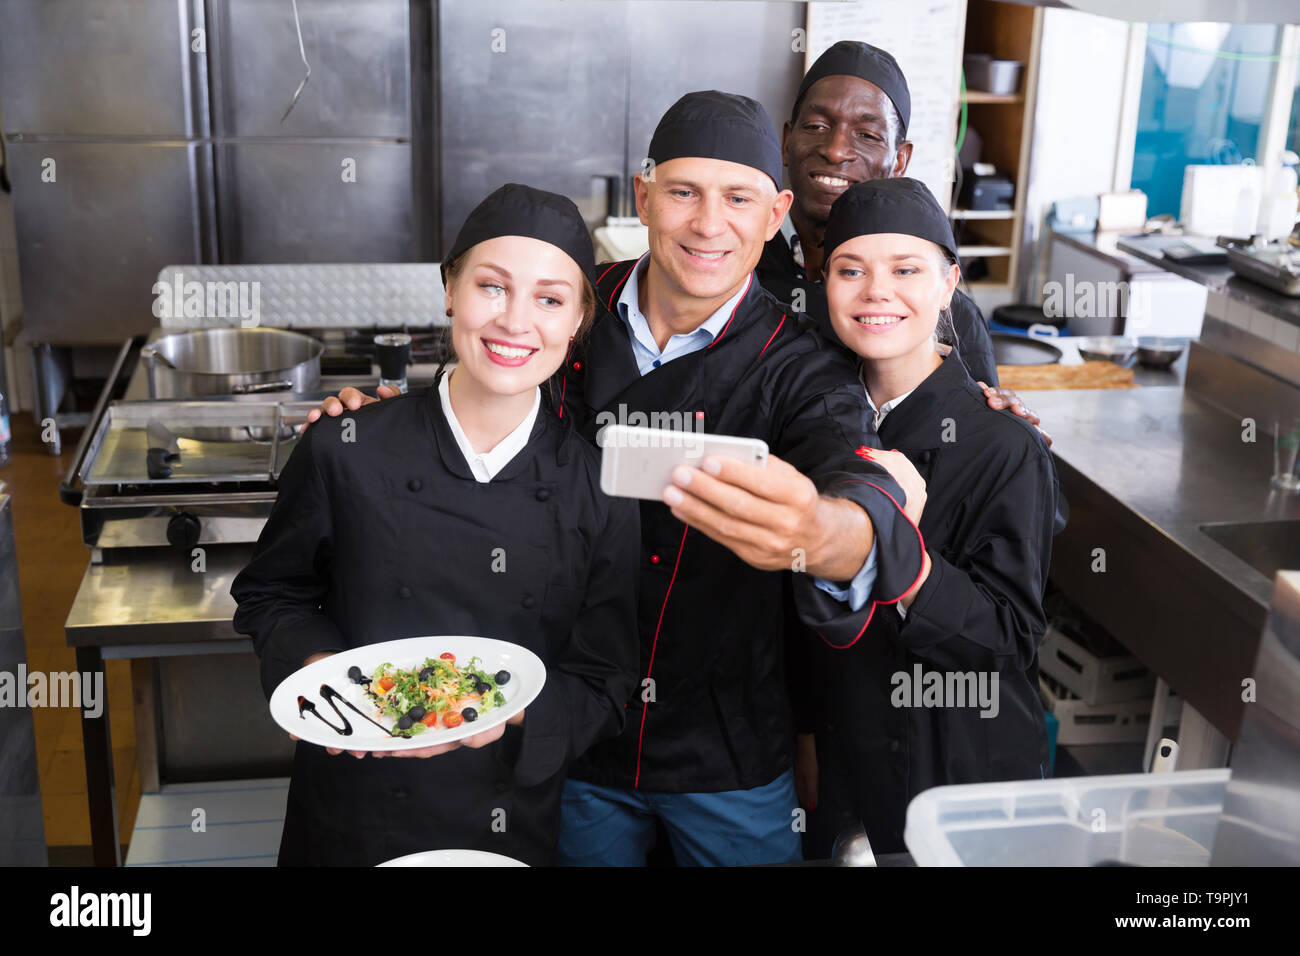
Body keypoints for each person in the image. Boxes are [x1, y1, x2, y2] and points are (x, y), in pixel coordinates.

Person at [311, 91, 928, 866]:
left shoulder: (799, 367)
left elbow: (852, 474)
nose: (709, 224)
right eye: (683, 192)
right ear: (644, 196)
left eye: (737, 198)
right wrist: (374, 418)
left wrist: (829, 531)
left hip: (724, 747)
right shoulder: (562, 304)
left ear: (773, 214)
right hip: (558, 724)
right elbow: (469, 397)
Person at [230, 184, 641, 866]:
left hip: (507, 815)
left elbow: (605, 679)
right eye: (491, 286)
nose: (515, 322)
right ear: (449, 289)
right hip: (349, 805)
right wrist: (315, 667)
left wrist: (518, 719)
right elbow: (274, 595)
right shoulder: (345, 446)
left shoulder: (597, 489)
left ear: (577, 323)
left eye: (548, 298)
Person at [791, 177, 1058, 856]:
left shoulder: (1003, 442)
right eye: (851, 270)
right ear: (825, 284)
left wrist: (902, 563)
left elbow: (1009, 636)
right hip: (849, 748)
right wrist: (807, 733)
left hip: (962, 761)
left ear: (948, 284)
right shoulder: (810, 422)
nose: (877, 291)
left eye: (906, 270)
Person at [757, 39, 1051, 444]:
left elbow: (971, 438)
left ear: (900, 160)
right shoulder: (737, 278)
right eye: (816, 127)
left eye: (867, 135)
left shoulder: (947, 316)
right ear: (787, 141)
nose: (836, 150)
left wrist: (1007, 435)